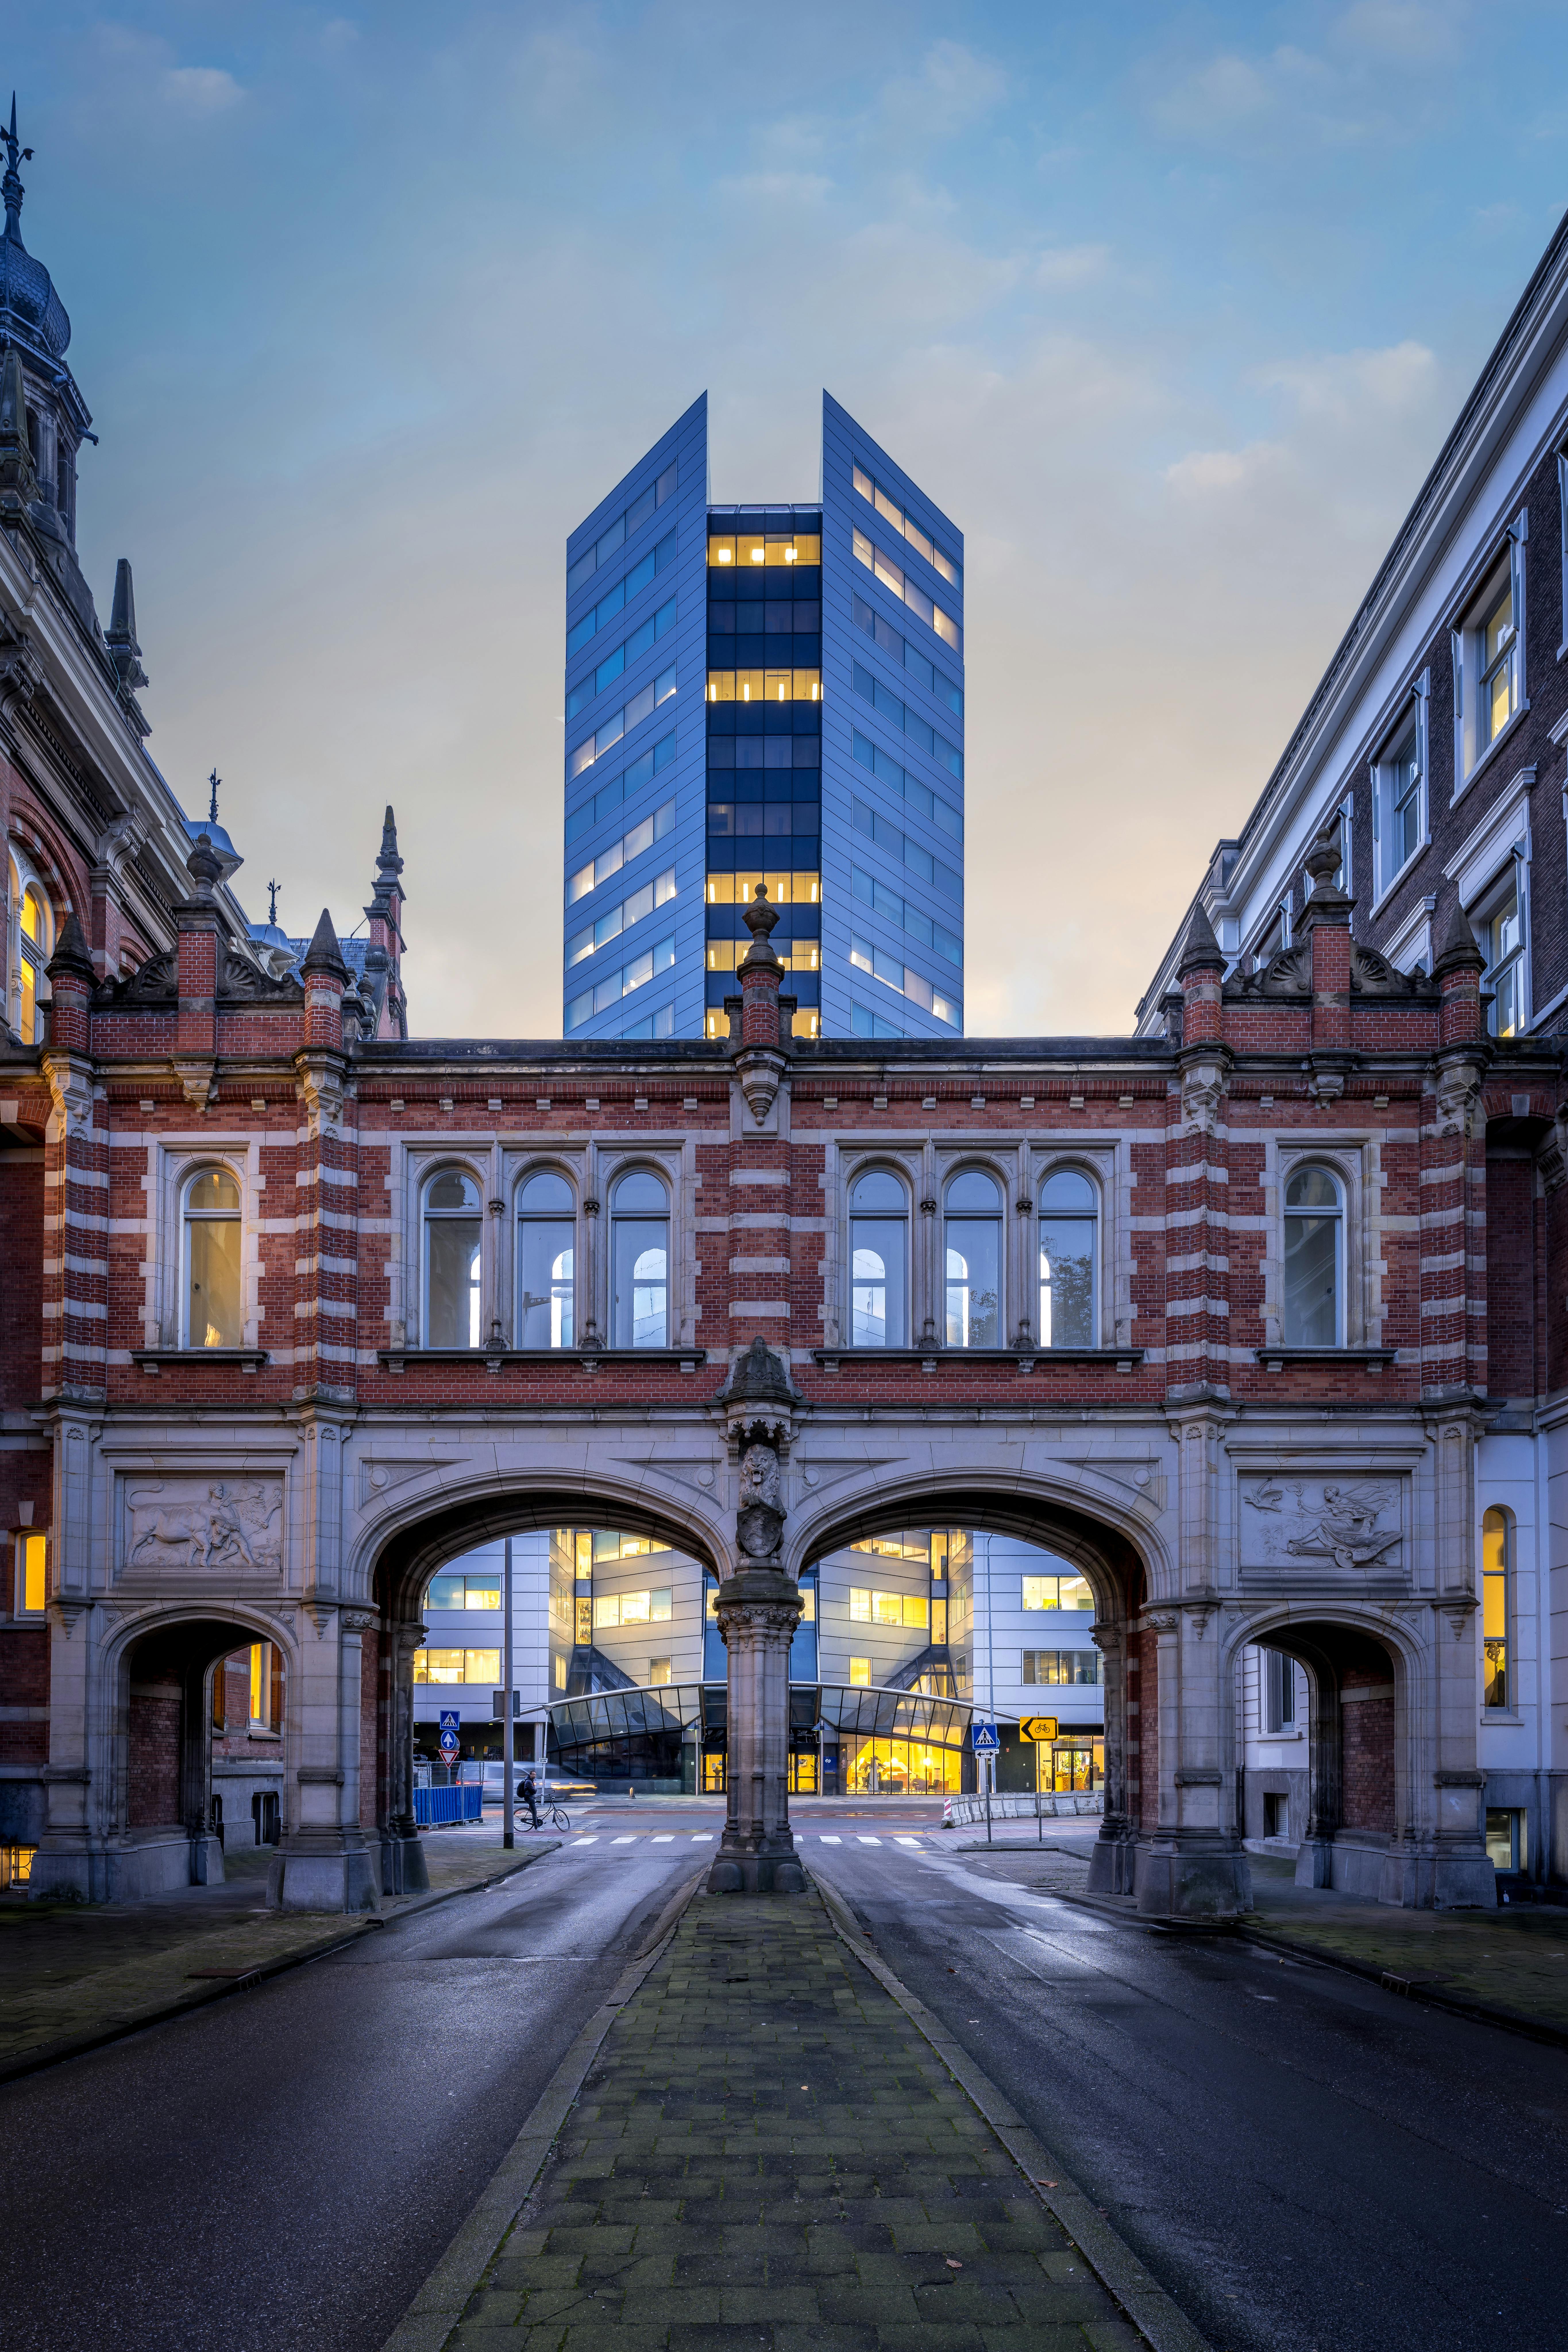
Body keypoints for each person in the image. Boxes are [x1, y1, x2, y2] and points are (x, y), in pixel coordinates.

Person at [519, 1767, 541, 1831]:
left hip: (530, 1798)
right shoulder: (529, 1782)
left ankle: (537, 1825)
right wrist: (536, 1790)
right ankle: (537, 1828)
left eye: (535, 1775)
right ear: (530, 1775)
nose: (535, 1776)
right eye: (534, 1775)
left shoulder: (530, 1781)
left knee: (534, 1812)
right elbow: (533, 1791)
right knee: (535, 1813)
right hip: (529, 1798)